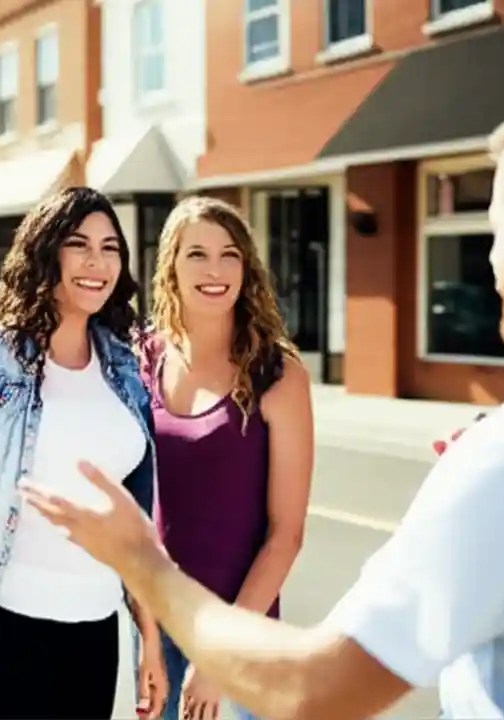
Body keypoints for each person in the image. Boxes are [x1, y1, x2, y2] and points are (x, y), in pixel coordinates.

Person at [20, 88, 504, 720]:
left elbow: (315, 690)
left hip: (231, 646)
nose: (489, 260)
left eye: (494, 231)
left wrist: (143, 565)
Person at [0, 187, 168, 719]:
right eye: (79, 244)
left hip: (96, 636)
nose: (97, 262)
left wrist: (150, 637)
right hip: (2, 634)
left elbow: (135, 524)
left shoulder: (126, 370)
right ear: (45, 252)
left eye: (110, 248)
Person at [137, 196, 313, 720]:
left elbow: (287, 534)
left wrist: (221, 655)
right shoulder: (143, 358)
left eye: (228, 255)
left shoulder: (278, 375)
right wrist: (146, 629)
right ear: (171, 264)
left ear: (246, 268)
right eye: (197, 254)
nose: (214, 271)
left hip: (244, 641)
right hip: (159, 628)